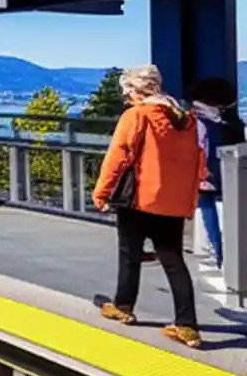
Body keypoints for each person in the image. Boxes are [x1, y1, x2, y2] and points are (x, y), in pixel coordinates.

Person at [93, 65, 206, 349]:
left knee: (129, 253)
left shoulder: (137, 115)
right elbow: (199, 162)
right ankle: (187, 326)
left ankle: (123, 306)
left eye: (128, 90)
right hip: (173, 201)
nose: (126, 96)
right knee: (173, 260)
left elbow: (118, 156)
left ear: (138, 90)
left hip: (140, 198)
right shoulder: (185, 119)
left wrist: (102, 193)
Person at [187, 77, 241, 270]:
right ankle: (229, 255)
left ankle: (216, 253)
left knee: (208, 212)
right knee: (230, 214)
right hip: (231, 172)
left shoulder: (197, 121)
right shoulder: (232, 122)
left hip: (206, 174)